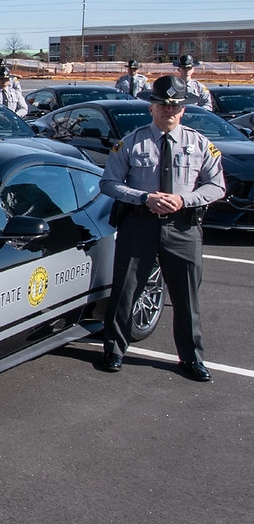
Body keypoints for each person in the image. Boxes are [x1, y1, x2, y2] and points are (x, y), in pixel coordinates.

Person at [97, 75, 224, 382]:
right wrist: (143, 197)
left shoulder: (199, 144)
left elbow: (216, 186)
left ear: (184, 110)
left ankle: (192, 358)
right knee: (126, 291)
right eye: (163, 106)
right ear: (151, 108)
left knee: (186, 297)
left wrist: (183, 200)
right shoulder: (130, 142)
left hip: (183, 229)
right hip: (139, 225)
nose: (169, 112)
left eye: (176, 107)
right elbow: (108, 183)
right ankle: (114, 350)